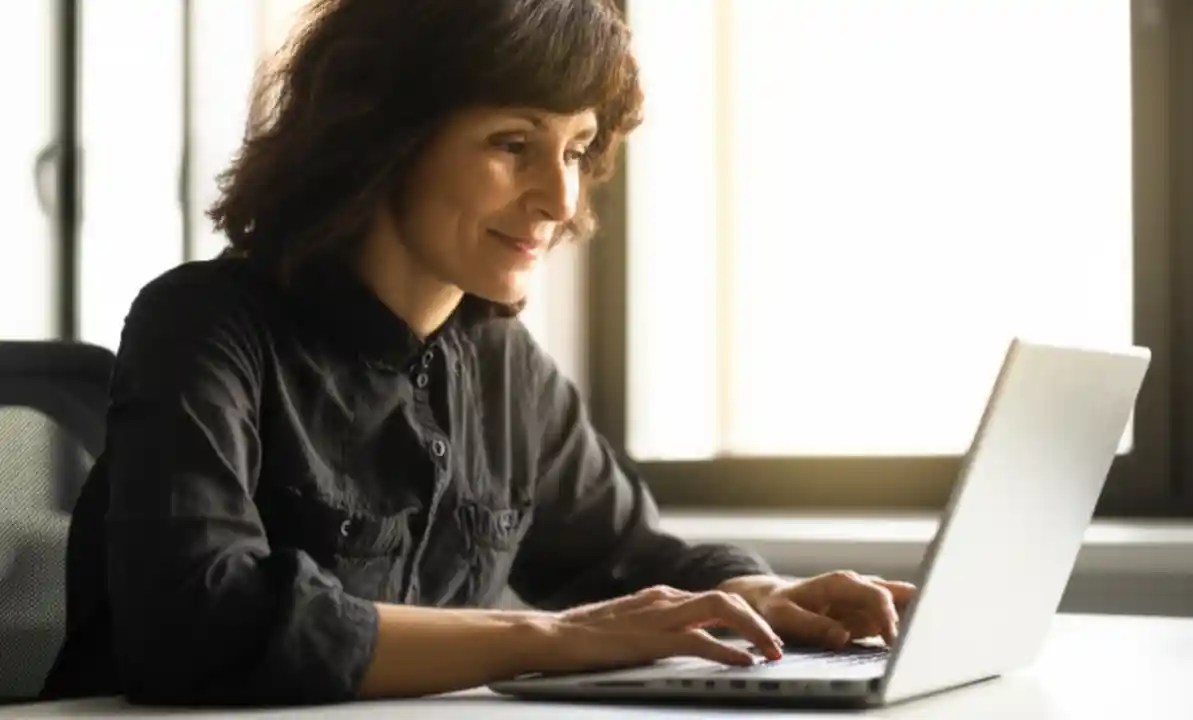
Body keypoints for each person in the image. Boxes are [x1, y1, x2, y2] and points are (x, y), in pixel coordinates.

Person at [41, 0, 915, 706]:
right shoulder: (203, 323)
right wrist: (557, 640)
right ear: (383, 138)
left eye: (576, 149)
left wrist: (763, 599)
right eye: (513, 145)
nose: (559, 197)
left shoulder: (503, 362)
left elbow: (636, 562)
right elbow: (199, 624)